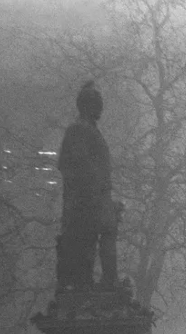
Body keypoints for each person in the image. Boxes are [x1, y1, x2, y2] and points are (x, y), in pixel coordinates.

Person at [57, 80, 119, 289]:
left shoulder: (89, 130)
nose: (100, 107)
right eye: (96, 102)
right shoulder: (78, 130)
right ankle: (88, 285)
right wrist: (94, 192)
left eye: (99, 102)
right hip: (88, 198)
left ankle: (107, 282)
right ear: (85, 105)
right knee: (90, 239)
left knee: (105, 235)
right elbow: (76, 163)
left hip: (99, 195)